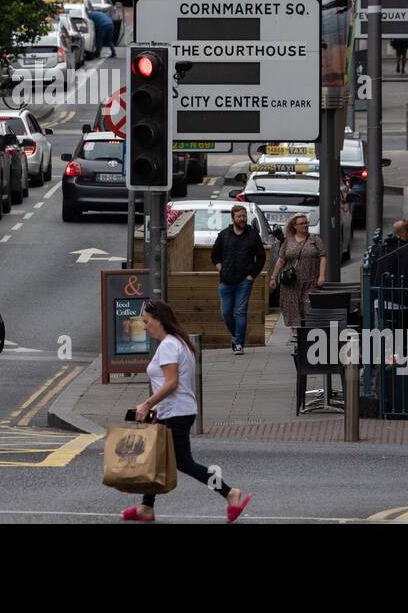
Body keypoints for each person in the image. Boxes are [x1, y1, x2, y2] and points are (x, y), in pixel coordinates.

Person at [120, 300, 251, 523]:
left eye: (146, 321)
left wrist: (147, 404)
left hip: (176, 413)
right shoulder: (177, 342)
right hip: (174, 411)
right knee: (155, 459)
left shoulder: (170, 345)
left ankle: (230, 493)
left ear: (159, 320)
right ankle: (146, 508)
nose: (144, 326)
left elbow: (171, 383)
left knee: (184, 463)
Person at [210, 204, 265, 356]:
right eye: (239, 216)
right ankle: (236, 335)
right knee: (226, 313)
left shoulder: (253, 235)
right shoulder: (224, 234)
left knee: (240, 312)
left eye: (244, 216)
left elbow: (261, 257)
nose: (242, 219)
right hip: (226, 280)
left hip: (244, 280)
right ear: (233, 218)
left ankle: (239, 344)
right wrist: (220, 267)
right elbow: (215, 255)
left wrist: (251, 275)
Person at [269, 213, 326, 331]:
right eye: (302, 223)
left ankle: (306, 334)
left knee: (308, 308)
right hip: (291, 283)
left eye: (306, 223)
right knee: (292, 310)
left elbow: (323, 257)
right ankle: (297, 336)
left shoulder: (314, 239)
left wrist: (321, 276)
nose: (305, 225)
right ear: (294, 226)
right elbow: (281, 260)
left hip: (311, 281)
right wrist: (273, 277)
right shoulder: (288, 241)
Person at [374, 220, 408, 332]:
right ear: (405, 233)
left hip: (381, 299)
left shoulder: (381, 248)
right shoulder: (407, 251)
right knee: (403, 336)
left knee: (386, 334)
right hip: (400, 301)